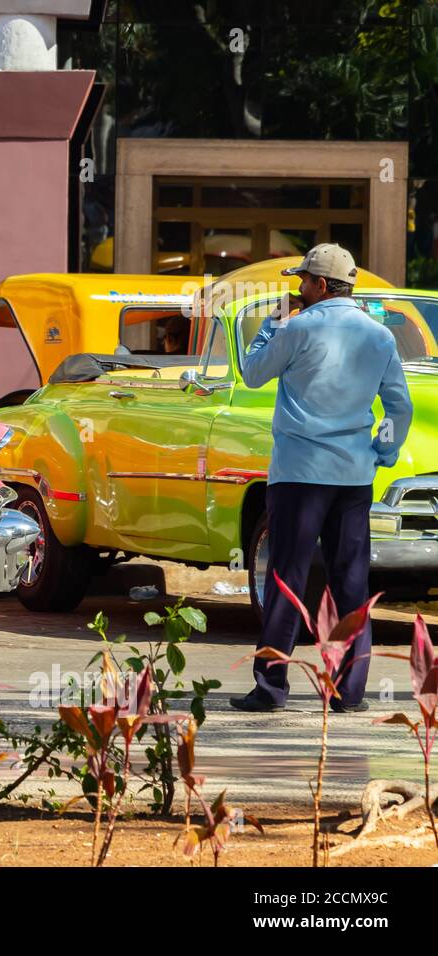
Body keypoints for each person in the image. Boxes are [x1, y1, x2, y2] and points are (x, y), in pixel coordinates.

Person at [230, 243, 412, 714]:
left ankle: (271, 689)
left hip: (299, 474)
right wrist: (383, 451)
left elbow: (252, 374)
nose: (298, 288)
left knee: (287, 578)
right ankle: (349, 694)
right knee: (351, 582)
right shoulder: (379, 336)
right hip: (353, 475)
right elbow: (400, 406)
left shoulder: (297, 328)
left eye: (303, 281)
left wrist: (272, 324)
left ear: (322, 285)